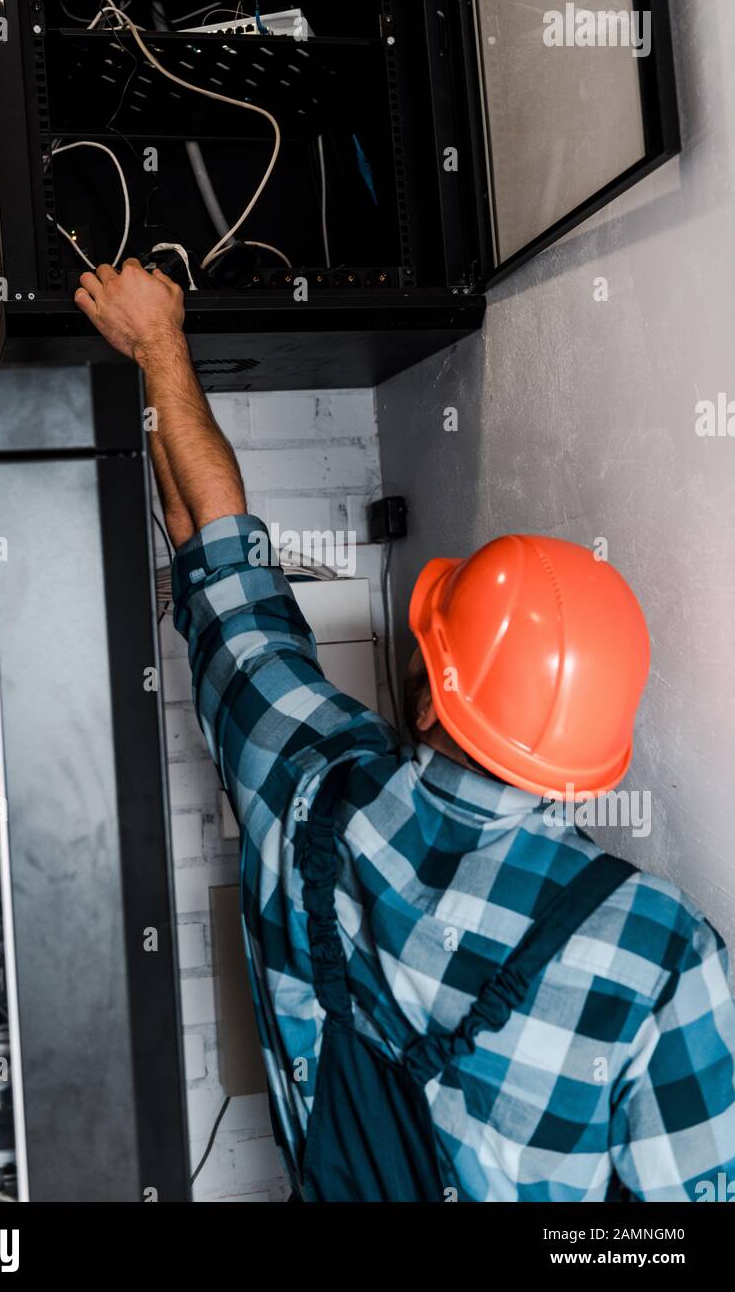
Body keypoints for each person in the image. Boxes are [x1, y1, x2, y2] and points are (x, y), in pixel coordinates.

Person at [75, 259, 735, 1202]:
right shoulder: (661, 954)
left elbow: (214, 556)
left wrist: (159, 349)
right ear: (596, 756)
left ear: (431, 693)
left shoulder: (309, 790)